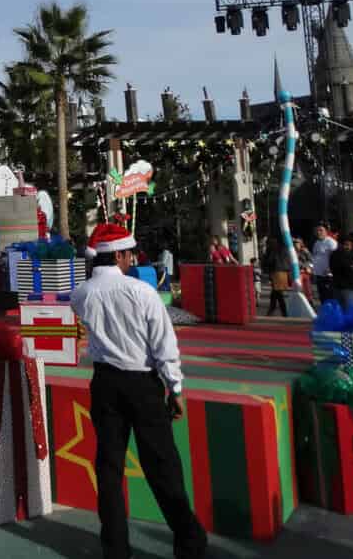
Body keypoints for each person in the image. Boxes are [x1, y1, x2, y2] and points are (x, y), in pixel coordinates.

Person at [72, 223, 207, 559]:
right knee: (162, 465)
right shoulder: (142, 291)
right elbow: (164, 344)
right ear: (118, 254)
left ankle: (115, 549)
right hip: (142, 384)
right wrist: (175, 387)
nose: (132, 259)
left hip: (104, 384)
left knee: (109, 468)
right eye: (129, 253)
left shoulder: (81, 294)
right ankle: (188, 541)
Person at [330, 237, 353, 308]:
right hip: (343, 287)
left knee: (347, 310)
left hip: (348, 287)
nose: (345, 247)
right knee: (346, 310)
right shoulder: (336, 255)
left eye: (348, 245)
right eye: (344, 244)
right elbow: (336, 268)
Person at [260, 236, 289, 317]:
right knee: (276, 292)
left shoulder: (272, 249)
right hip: (282, 271)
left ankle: (278, 310)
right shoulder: (283, 248)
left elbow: (270, 260)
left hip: (277, 271)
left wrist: (265, 261)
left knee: (278, 292)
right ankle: (275, 310)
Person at [310, 223, 338, 305]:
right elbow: (314, 257)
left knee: (330, 297)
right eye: (317, 230)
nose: (318, 232)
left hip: (328, 275)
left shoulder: (331, 242)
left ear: (326, 231)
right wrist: (312, 269)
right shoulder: (316, 243)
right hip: (319, 275)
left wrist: (330, 269)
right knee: (322, 297)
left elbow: (335, 257)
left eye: (321, 230)